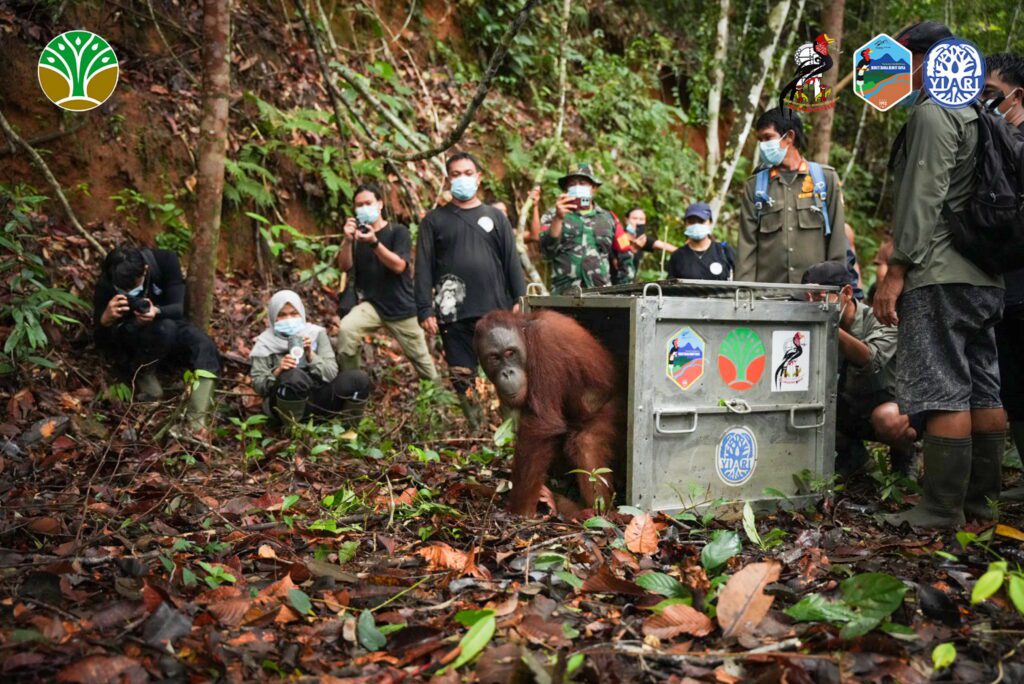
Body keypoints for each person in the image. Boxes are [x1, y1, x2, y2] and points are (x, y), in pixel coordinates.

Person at [873, 22, 1006, 528]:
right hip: (983, 274)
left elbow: (923, 196)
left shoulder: (935, 110)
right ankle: (981, 504)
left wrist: (896, 270)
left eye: (901, 59)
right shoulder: (979, 111)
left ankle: (942, 507)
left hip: (941, 272)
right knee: (982, 389)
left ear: (924, 58)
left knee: (945, 387)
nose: (898, 72)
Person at [415, 151, 526, 429]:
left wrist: (520, 298)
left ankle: (509, 429)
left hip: (496, 311)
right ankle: (476, 428)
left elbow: (512, 260)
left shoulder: (496, 218)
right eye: (455, 174)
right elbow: (423, 267)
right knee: (461, 374)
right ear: (447, 179)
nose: (462, 179)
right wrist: (424, 309)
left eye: (467, 173)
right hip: (453, 313)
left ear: (478, 178)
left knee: (505, 371)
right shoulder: (433, 221)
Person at [802, 262, 919, 476]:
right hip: (850, 405)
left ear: (846, 292)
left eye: (819, 297)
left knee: (887, 418)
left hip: (895, 405)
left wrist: (830, 326)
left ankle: (906, 456)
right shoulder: (810, 325)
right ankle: (855, 458)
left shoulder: (880, 318)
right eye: (807, 298)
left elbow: (870, 359)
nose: (812, 306)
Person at [93, 246, 219, 432]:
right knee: (164, 330)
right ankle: (143, 374)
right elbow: (99, 340)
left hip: (167, 322)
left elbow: (178, 307)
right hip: (131, 337)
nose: (130, 293)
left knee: (203, 344)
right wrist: (105, 319)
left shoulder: (163, 261)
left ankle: (197, 419)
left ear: (145, 270)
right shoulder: (107, 282)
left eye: (134, 287)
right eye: (123, 289)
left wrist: (157, 311)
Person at [335, 183, 437, 382]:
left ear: (380, 204)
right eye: (359, 205)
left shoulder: (398, 231)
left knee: (422, 362)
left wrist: (374, 242)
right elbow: (345, 267)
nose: (363, 208)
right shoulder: (357, 236)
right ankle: (353, 386)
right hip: (373, 305)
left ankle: (440, 400)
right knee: (347, 330)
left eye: (368, 203)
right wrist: (347, 240)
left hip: (402, 307)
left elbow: (399, 266)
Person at [736, 108, 848, 284]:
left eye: (768, 137)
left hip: (815, 296)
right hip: (770, 298)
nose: (763, 145)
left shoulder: (825, 180)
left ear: (789, 136)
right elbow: (746, 249)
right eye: (760, 140)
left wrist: (836, 291)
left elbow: (837, 244)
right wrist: (743, 297)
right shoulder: (755, 187)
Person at [984, 53, 1024, 500]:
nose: (985, 104)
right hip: (1004, 285)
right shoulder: (998, 144)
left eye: (992, 95)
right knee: (1012, 386)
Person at [250, 290, 370, 425]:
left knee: (359, 379)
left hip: (318, 398)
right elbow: (258, 386)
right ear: (273, 317)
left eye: (294, 313)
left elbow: (331, 373)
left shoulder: (316, 334)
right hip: (281, 404)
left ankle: (349, 430)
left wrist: (310, 355)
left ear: (301, 313)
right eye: (282, 315)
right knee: (293, 376)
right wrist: (278, 371)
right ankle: (293, 429)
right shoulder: (264, 343)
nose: (289, 319)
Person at [539, 163, 619, 293]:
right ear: (566, 190)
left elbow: (623, 256)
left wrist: (623, 289)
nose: (577, 187)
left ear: (593, 188)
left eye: (583, 183)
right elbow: (546, 251)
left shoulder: (608, 218)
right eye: (572, 185)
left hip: (601, 294)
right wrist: (558, 218)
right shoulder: (552, 215)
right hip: (564, 294)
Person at [666, 202, 734, 281]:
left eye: (701, 221)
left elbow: (741, 280)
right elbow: (670, 289)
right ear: (685, 224)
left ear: (710, 222)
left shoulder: (724, 251)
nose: (696, 225)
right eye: (691, 222)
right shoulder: (678, 256)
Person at [612, 207, 677, 284]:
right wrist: (634, 249)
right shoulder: (618, 237)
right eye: (634, 218)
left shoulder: (642, 239)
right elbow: (618, 264)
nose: (638, 222)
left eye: (641, 219)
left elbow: (662, 245)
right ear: (626, 220)